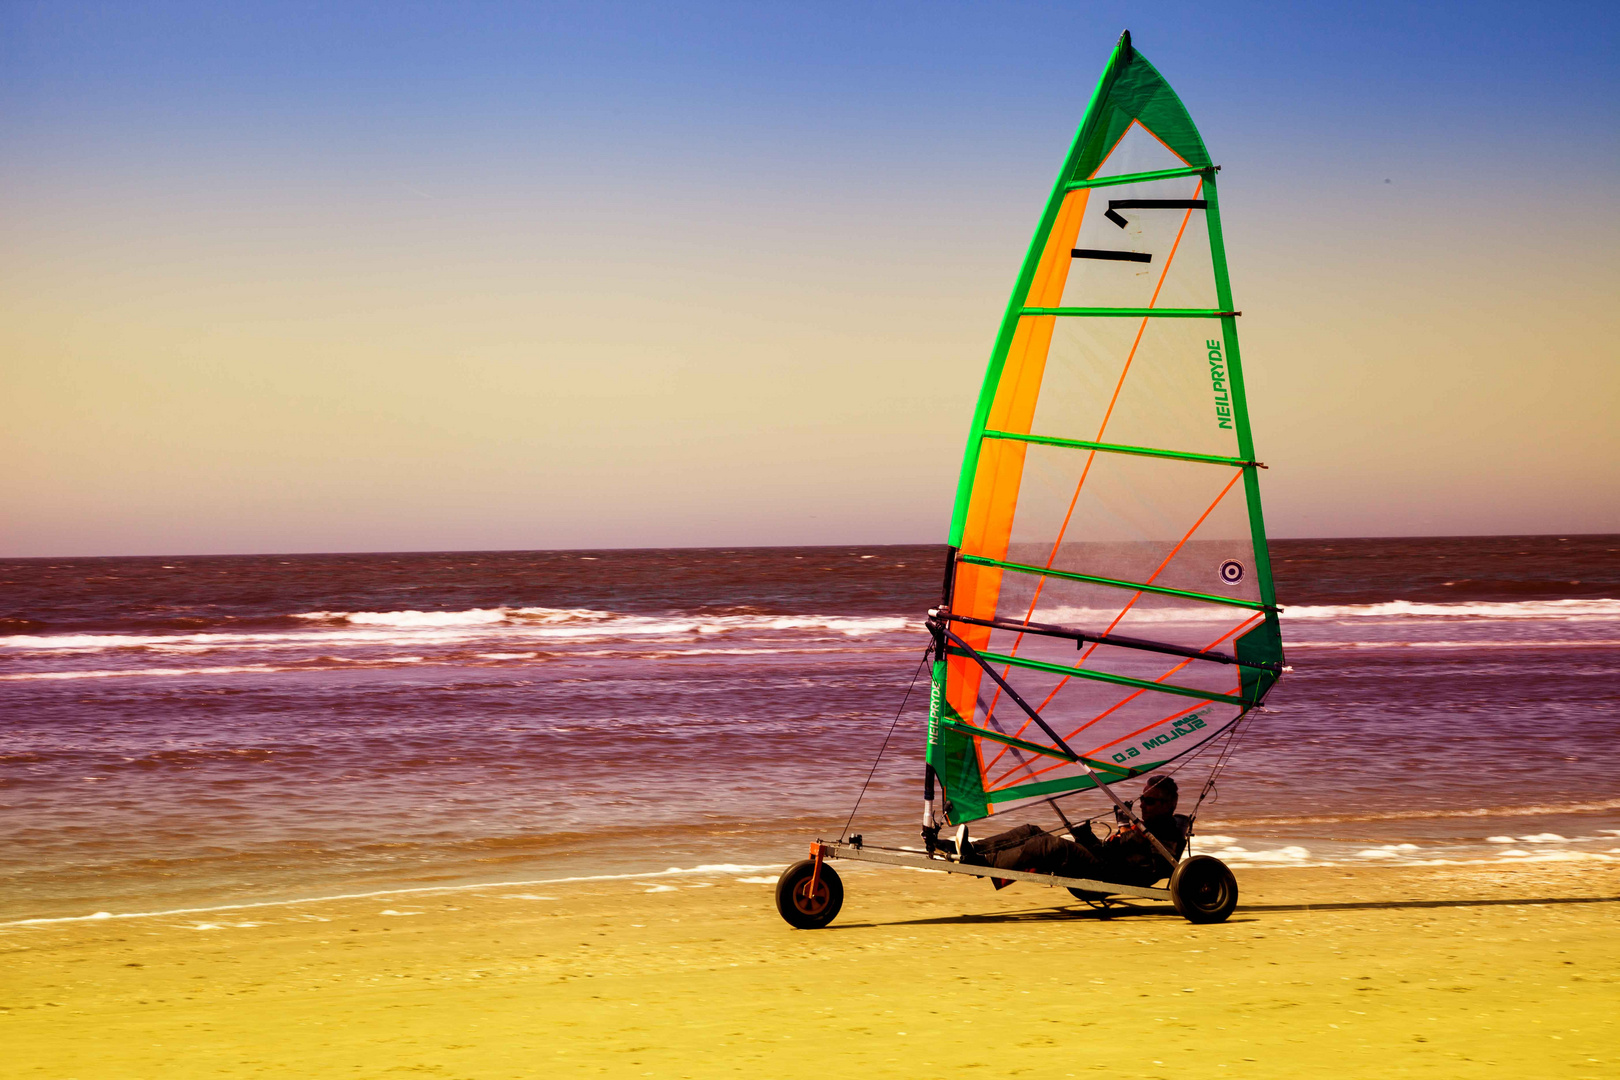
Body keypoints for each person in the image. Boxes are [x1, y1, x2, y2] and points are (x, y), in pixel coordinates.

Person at [959, 774, 1189, 889]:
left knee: (1050, 846)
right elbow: (1115, 848)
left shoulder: (1165, 827)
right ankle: (968, 849)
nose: (1142, 804)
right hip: (1109, 861)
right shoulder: (1151, 824)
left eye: (1149, 801)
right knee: (1031, 831)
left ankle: (982, 862)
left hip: (1120, 874)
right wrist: (1086, 837)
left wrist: (1124, 824)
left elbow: (1138, 860)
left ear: (1169, 804)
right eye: (1143, 798)